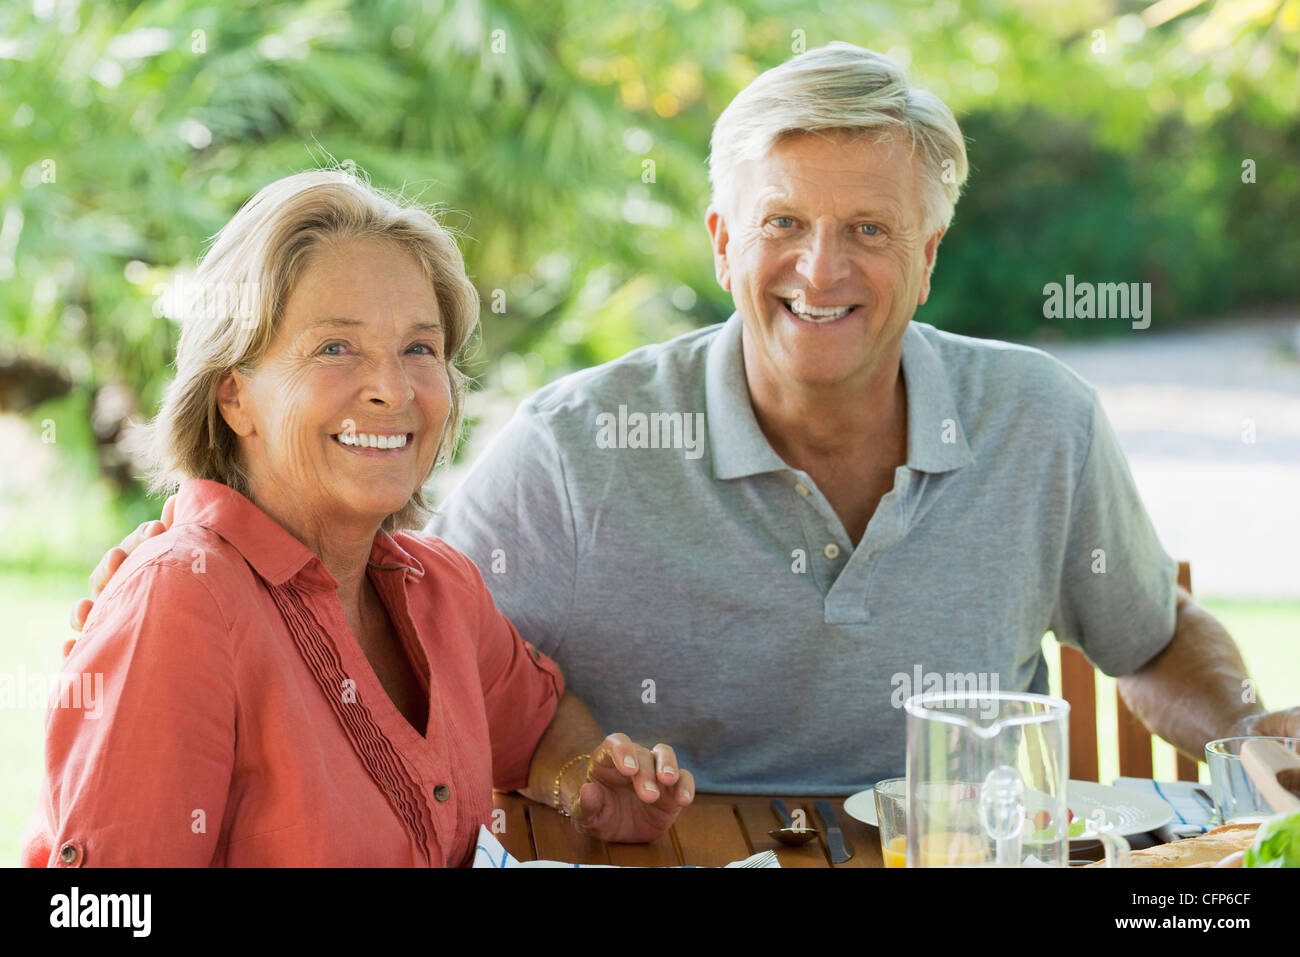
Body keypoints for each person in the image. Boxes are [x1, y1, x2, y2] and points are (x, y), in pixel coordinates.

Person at [75, 45, 1298, 795]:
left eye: (868, 230)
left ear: (926, 254)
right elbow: (428, 648)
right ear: (722, 241)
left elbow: (1147, 638)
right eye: (782, 223)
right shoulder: (572, 449)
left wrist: (1244, 727)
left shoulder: (1040, 419)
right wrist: (580, 779)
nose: (820, 269)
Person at [29, 169, 693, 867]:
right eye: (335, 347)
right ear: (234, 396)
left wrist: (585, 781)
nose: (391, 388)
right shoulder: (180, 602)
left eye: (418, 347)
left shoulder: (441, 586)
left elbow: (540, 724)